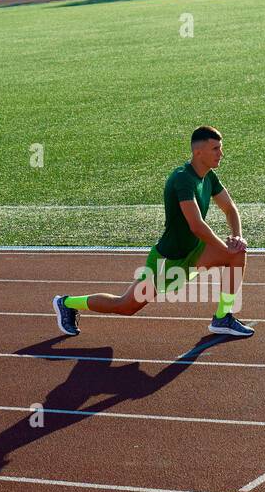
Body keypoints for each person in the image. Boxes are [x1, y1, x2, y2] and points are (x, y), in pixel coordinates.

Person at [53, 125, 254, 339]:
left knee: (237, 253)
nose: (220, 154)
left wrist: (237, 237)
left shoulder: (208, 177)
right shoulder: (182, 179)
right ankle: (66, 303)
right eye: (215, 149)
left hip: (194, 251)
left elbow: (229, 208)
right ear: (198, 152)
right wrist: (223, 247)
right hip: (168, 261)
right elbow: (196, 225)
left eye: (220, 148)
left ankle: (223, 317)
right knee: (125, 306)